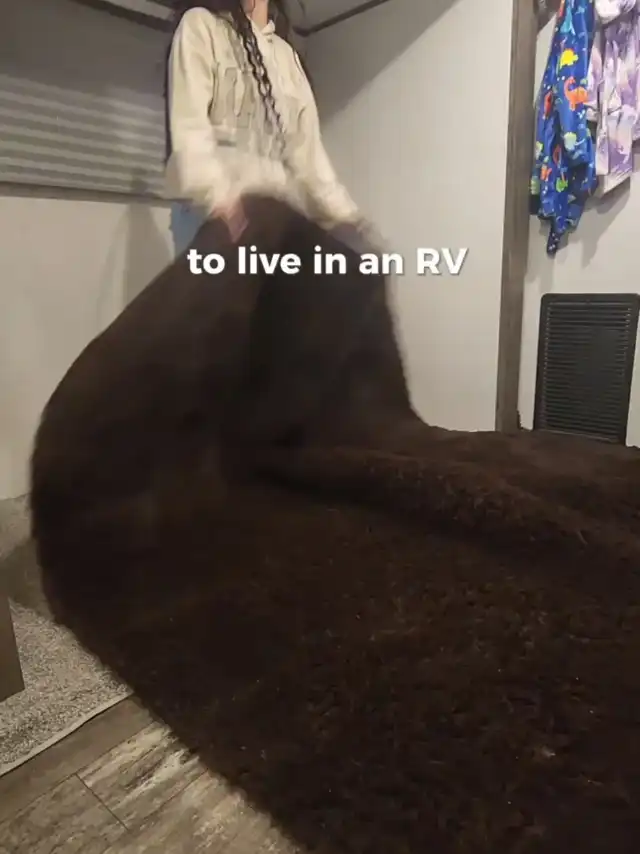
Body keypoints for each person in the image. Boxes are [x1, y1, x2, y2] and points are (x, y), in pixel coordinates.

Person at [164, 0, 363, 255]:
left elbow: (310, 161)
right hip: (213, 224)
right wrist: (221, 202)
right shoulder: (201, 25)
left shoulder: (287, 57)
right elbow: (190, 134)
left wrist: (349, 221)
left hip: (274, 229)